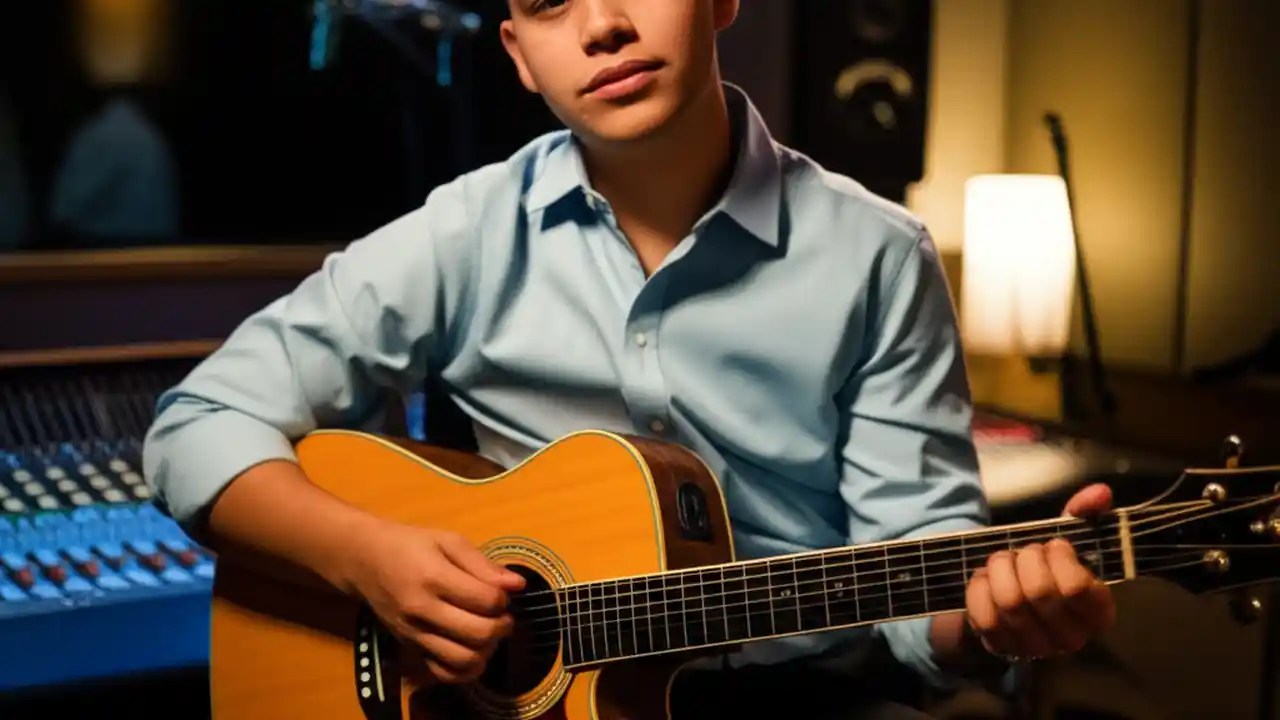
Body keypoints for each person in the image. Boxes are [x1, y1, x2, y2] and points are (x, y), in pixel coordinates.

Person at [142, 1, 1116, 717]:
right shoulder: (468, 232)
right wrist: (369, 559)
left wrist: (992, 620)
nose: (601, 26)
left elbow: (918, 581)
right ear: (519, 56)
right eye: (548, 5)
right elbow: (193, 428)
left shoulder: (878, 256)